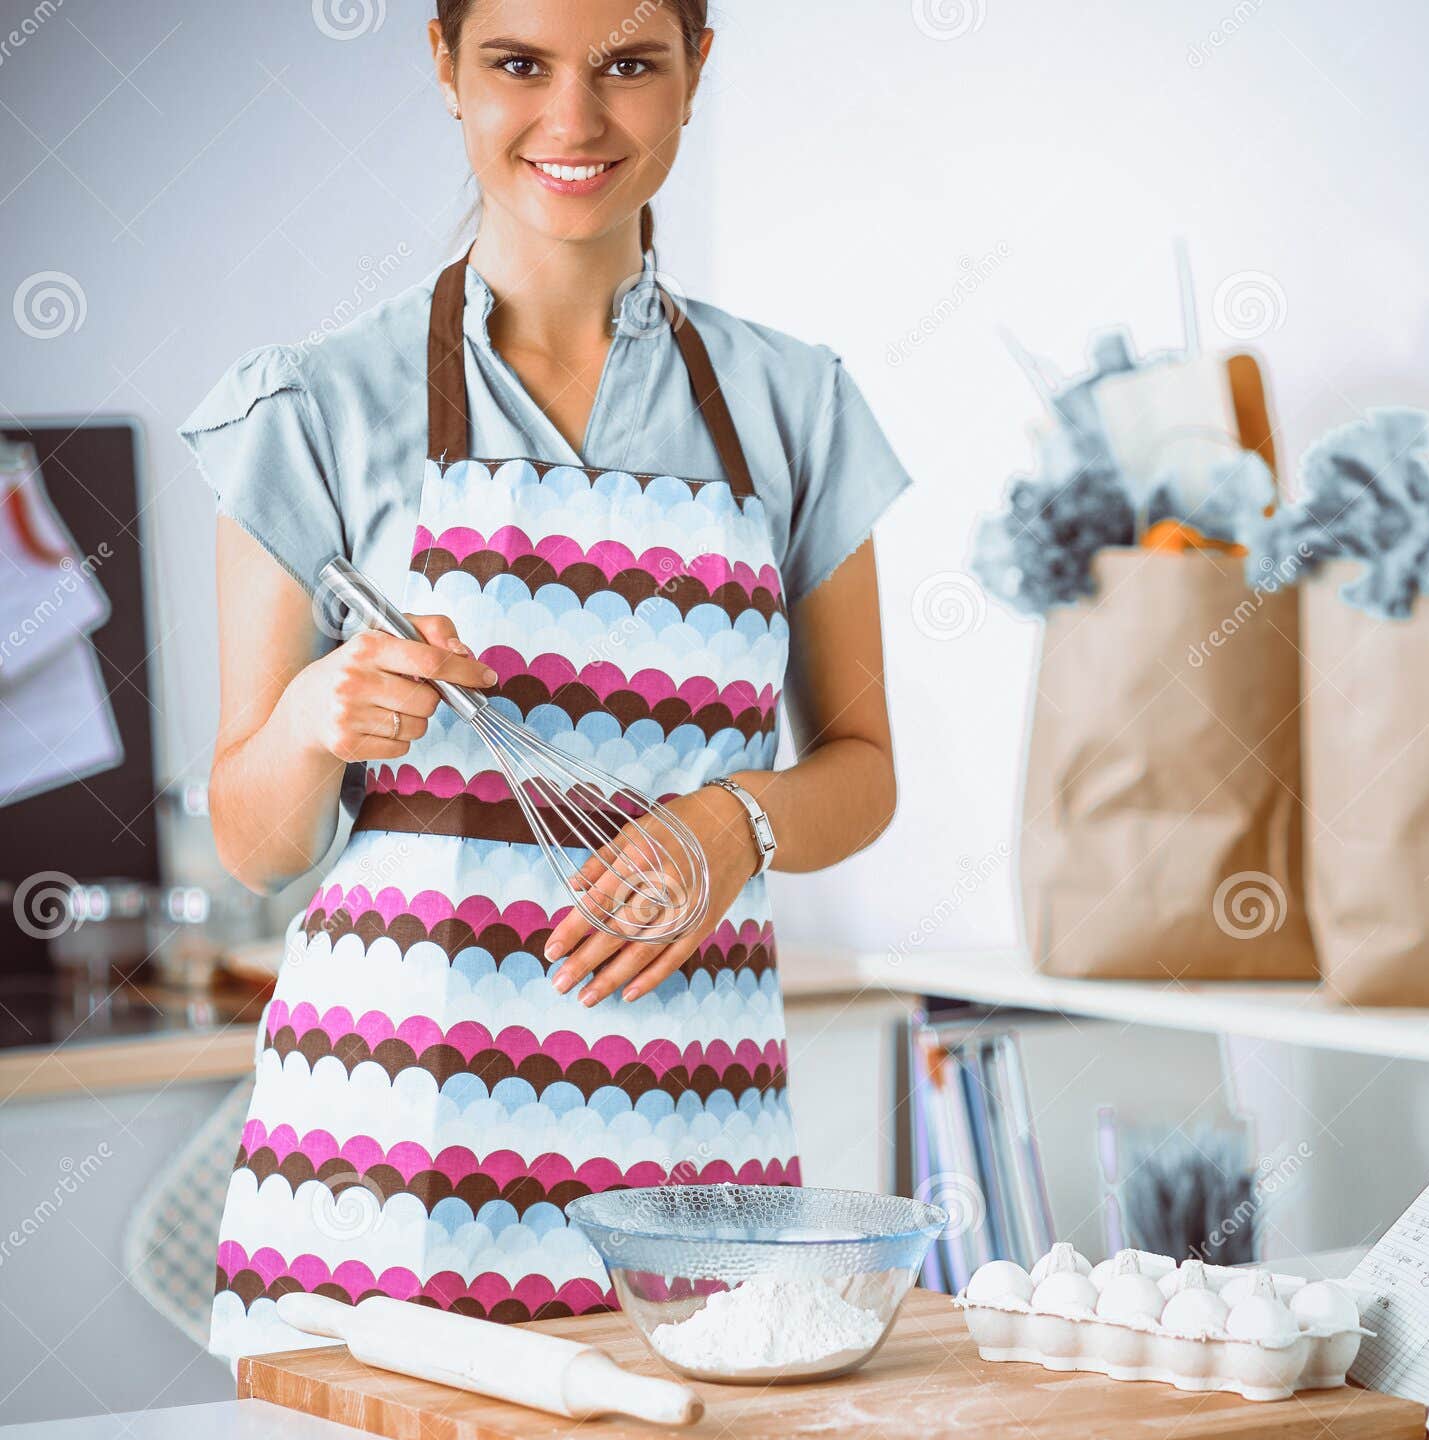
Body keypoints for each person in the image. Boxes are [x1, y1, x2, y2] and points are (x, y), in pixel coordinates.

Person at [181, 0, 909, 1366]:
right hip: (395, 1130)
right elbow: (253, 836)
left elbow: (862, 766)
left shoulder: (794, 405)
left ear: (697, 71)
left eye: (629, 66)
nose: (574, 122)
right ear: (446, 67)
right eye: (520, 65)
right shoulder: (316, 404)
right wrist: (310, 720)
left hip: (689, 1114)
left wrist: (732, 824)